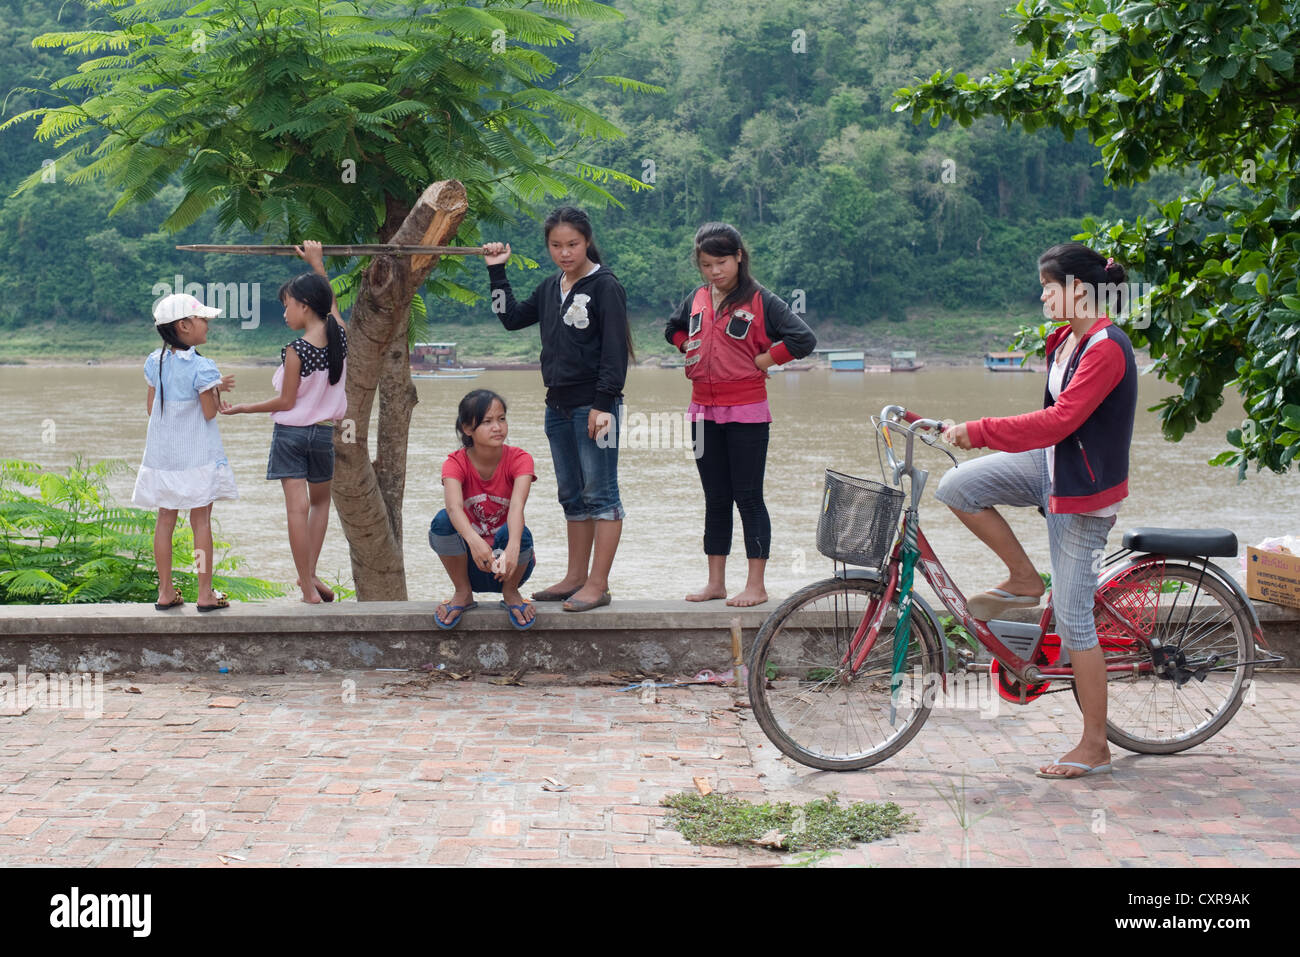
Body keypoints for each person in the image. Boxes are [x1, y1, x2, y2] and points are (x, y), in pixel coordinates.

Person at [938, 242, 1137, 780]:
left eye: (1049, 286)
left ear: (1078, 289)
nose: (1043, 296)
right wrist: (955, 430)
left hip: (1083, 494)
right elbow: (1047, 423)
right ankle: (1024, 579)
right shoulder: (1066, 341)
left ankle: (1095, 745)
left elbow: (1060, 422)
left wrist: (979, 429)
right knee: (957, 486)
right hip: (1051, 468)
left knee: (1075, 625)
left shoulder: (1106, 348)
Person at [482, 207, 632, 613]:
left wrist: (603, 404)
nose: (565, 253)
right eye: (556, 245)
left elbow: (616, 351)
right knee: (572, 496)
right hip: (558, 405)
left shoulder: (604, 286)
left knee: (601, 495)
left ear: (586, 242)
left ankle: (597, 584)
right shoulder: (552, 288)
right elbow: (510, 319)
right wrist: (497, 271)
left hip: (595, 406)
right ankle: (574, 576)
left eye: (573, 244)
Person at [664, 223, 817, 606]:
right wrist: (688, 346)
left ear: (739, 258)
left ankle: (755, 586)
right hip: (701, 410)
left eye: (721, 262)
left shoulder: (762, 300)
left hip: (747, 411)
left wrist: (766, 359)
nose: (715, 272)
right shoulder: (698, 297)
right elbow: (672, 328)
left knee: (748, 497)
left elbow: (804, 339)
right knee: (715, 498)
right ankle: (715, 583)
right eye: (706, 265)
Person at [222, 241, 347, 604]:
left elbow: (286, 401)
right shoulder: (340, 336)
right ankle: (308, 575)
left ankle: (307, 587)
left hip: (291, 436)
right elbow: (332, 304)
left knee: (297, 508)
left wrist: (243, 408)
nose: (285, 313)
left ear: (305, 307)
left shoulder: (296, 350)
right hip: (324, 435)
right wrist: (317, 263)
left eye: (287, 306)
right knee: (321, 504)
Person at [132, 291, 238, 612]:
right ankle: (204, 593)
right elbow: (209, 412)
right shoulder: (203, 367)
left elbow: (152, 408)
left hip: (163, 457)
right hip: (195, 456)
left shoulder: (154, 361)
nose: (207, 324)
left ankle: (165, 591)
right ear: (184, 326)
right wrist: (215, 388)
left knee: (165, 519)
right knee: (201, 519)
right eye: (202, 319)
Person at [429, 390, 538, 630]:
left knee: (517, 532)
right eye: (487, 422)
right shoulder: (455, 462)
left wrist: (512, 548)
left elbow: (517, 507)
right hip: (470, 565)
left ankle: (511, 594)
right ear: (468, 429)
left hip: (511, 565)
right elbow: (454, 507)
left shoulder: (520, 459)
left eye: (501, 419)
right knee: (442, 521)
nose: (497, 427)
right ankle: (463, 592)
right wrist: (475, 541)